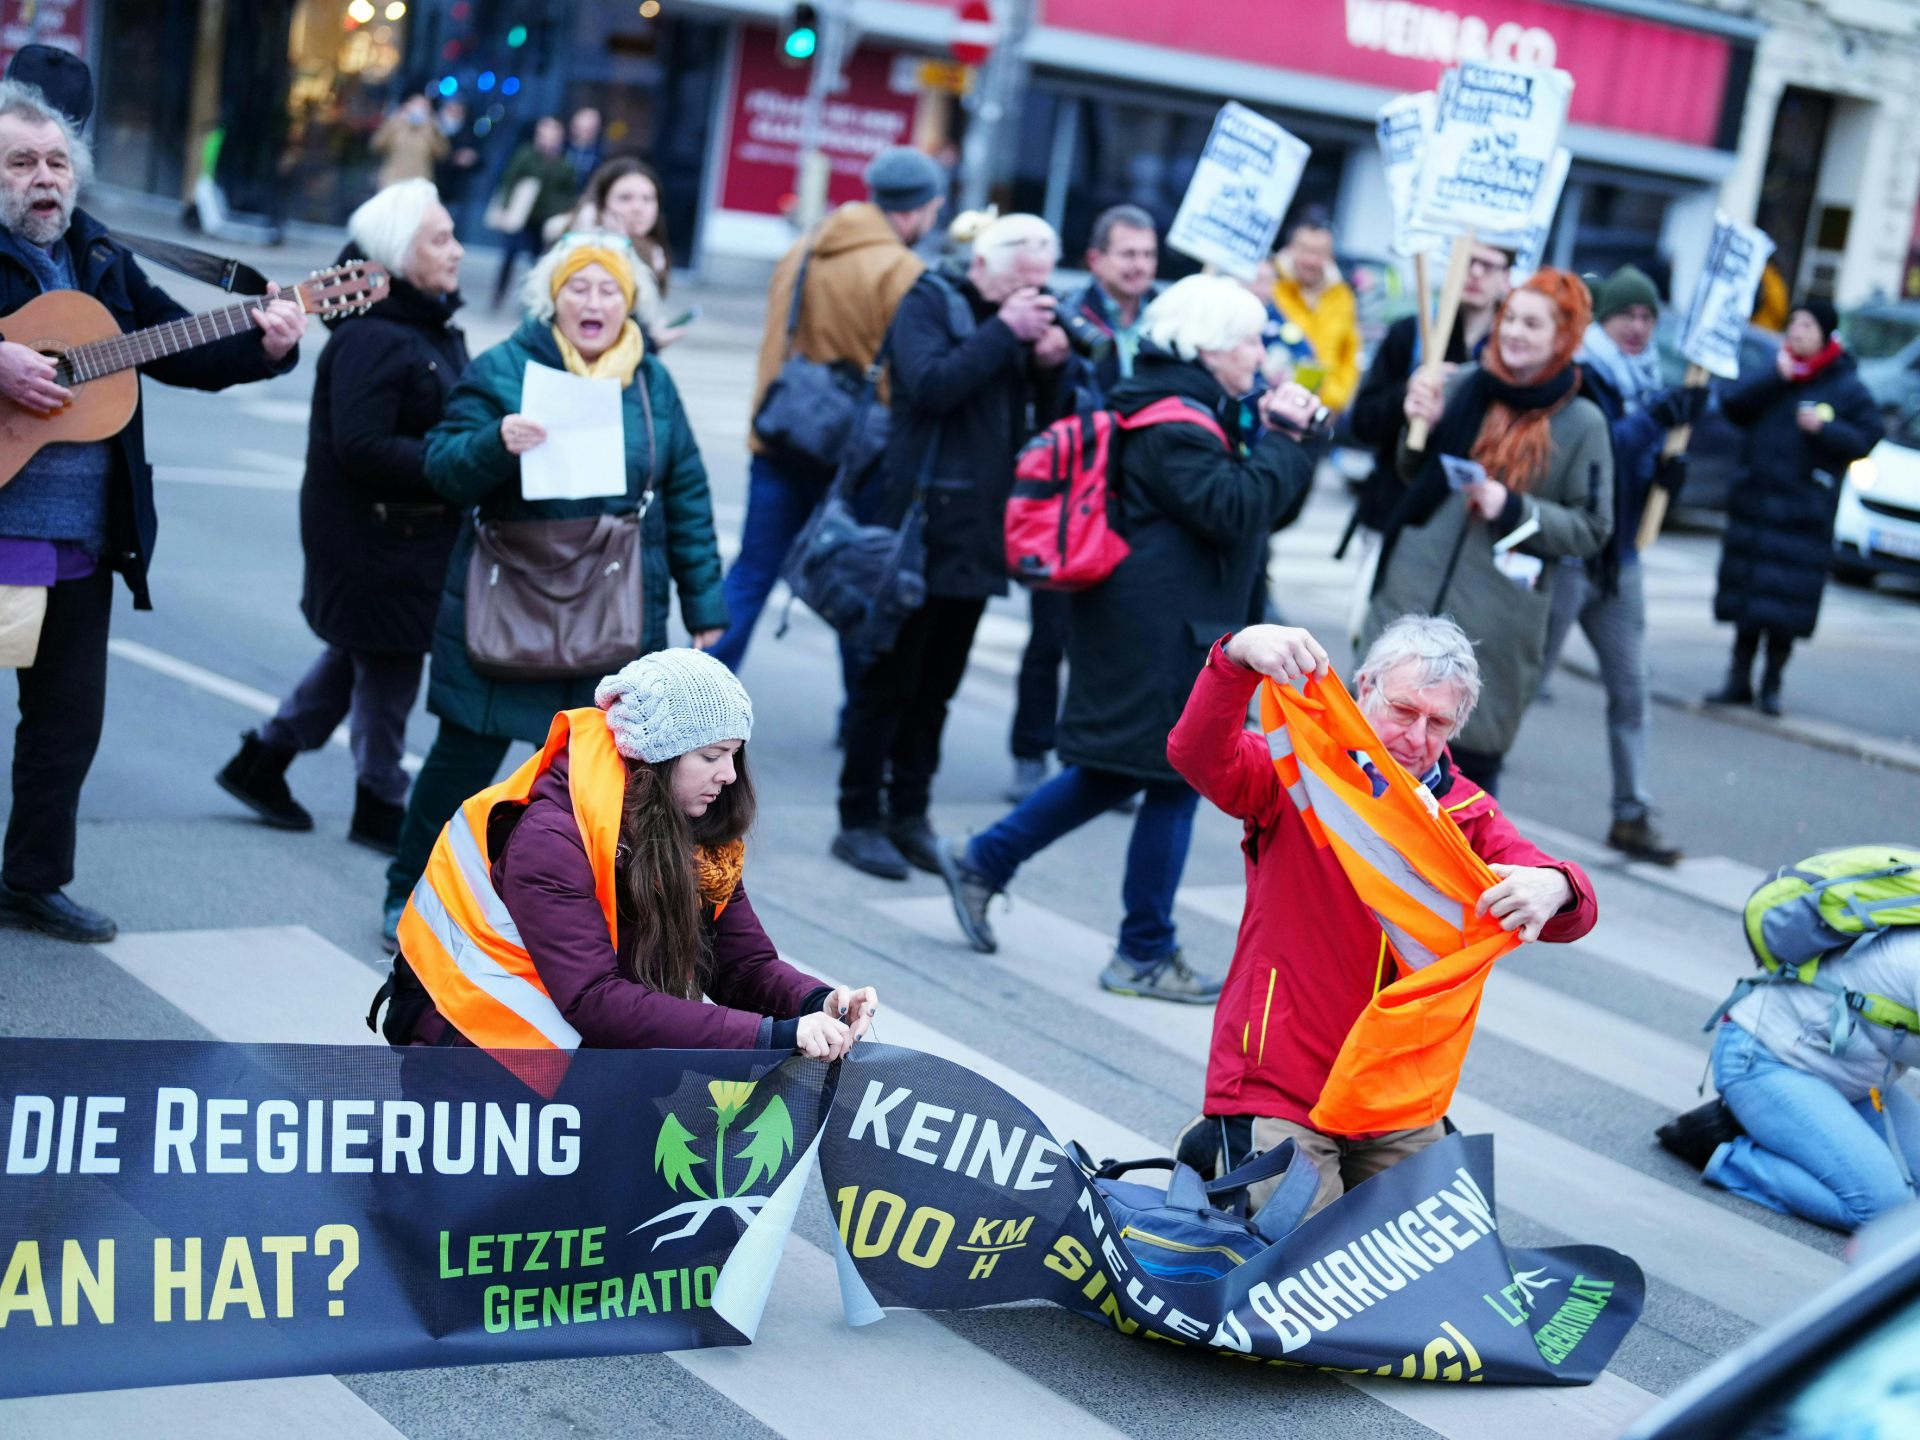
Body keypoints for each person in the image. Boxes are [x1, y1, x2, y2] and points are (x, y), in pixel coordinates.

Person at [937, 276, 1319, 1002]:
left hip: (1167, 622)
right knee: (1175, 778)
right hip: (1161, 631)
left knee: (1121, 769)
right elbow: (1235, 508)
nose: (1259, 351)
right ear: (1208, 345)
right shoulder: (1172, 420)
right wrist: (1285, 440)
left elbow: (1262, 509)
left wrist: (1292, 444)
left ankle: (985, 859)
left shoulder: (1185, 404)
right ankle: (1142, 950)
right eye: (1249, 339)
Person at [0, 80, 306, 944]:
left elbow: (180, 347)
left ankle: (31, 881)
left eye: (57, 162)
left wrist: (265, 344)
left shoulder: (100, 255)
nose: (44, 178)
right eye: (21, 163)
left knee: (66, 725)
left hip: (85, 540)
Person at [1167, 615, 1599, 1215]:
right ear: (1364, 687)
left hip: (1395, 1098)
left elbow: (1568, 911)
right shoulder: (1302, 770)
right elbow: (1197, 755)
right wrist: (1235, 656)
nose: (1416, 738)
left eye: (1438, 722)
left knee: (1446, 1256)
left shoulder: (1468, 813)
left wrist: (1559, 886)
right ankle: (1222, 1146)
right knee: (1307, 1252)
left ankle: (1224, 1160)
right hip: (1280, 1086)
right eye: (1402, 710)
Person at [379, 233, 727, 942]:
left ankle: (578, 919)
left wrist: (704, 602)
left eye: (609, 289)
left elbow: (686, 491)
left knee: (603, 775)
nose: (593, 302)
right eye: (578, 287)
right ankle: (410, 891)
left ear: (629, 302)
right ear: (552, 299)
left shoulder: (651, 382)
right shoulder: (505, 368)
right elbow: (443, 468)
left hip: (614, 604)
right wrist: (495, 443)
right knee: (465, 760)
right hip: (513, 598)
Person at [388, 648, 878, 1056]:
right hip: (482, 1054)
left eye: (734, 754)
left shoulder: (693, 825)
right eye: (711, 756)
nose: (729, 775)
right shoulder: (552, 837)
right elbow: (595, 1001)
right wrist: (769, 1036)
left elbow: (741, 964)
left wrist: (817, 1003)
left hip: (570, 1047)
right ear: (655, 758)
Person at [216, 179, 469, 854]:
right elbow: (361, 446)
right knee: (389, 666)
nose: (458, 250)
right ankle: (380, 801)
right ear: (399, 254)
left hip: (406, 535)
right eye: (441, 239)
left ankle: (263, 760)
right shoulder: (376, 336)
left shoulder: (424, 325)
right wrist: (457, 460)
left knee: (358, 654)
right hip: (375, 541)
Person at [832, 213, 1079, 881]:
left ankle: (909, 813)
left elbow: (1042, 423)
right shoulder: (930, 299)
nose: (1033, 294)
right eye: (1022, 281)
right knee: (890, 678)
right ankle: (858, 818)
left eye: (1041, 283)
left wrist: (1049, 368)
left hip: (980, 531)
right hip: (918, 525)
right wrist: (1006, 332)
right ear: (984, 264)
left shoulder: (1017, 323)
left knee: (938, 686)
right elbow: (931, 386)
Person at [1364, 269, 1614, 796]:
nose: (1514, 332)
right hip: (1409, 598)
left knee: (1460, 804)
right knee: (1361, 786)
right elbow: (1412, 475)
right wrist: (1418, 428)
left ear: (1564, 337)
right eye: (1510, 319)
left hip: (1494, 628)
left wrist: (1515, 507)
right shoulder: (1463, 384)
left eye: (1533, 324)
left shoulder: (1583, 422)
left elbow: (1594, 527)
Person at [709, 146, 946, 677]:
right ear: (913, 210)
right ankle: (856, 713)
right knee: (856, 578)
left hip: (781, 436)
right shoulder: (903, 270)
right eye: (933, 210)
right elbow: (904, 377)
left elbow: (776, 342)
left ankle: (696, 697)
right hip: (854, 459)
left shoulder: (805, 248)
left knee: (750, 575)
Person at [1534, 266, 1702, 865]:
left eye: (1647, 316)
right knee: (1523, 682)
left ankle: (1631, 814)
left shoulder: (1645, 382)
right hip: (1569, 559)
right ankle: (1453, 786)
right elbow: (1600, 449)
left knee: (1632, 692)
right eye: (1626, 314)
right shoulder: (1580, 375)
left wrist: (1667, 476)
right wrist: (1656, 421)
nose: (1637, 326)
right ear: (1602, 321)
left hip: (1619, 563)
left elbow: (1635, 469)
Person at [1005, 204, 1162, 806]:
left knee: (1117, 641)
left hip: (1137, 503)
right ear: (1096, 259)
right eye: (1128, 254)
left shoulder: (1167, 318)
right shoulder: (1067, 316)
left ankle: (1097, 760)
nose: (1140, 266)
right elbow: (1042, 404)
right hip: (1071, 500)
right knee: (1050, 634)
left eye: (1148, 254)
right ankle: (1030, 751)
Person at [1660, 926, 1920, 1232]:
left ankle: (1803, 1135)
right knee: (1886, 1211)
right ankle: (1728, 1151)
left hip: (1852, 1076)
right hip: (1767, 1060)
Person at [1707, 298, 1882, 717]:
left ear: (1825, 334)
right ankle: (1738, 678)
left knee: (1785, 606)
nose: (1797, 332)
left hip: (1802, 514)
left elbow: (1868, 435)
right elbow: (1732, 405)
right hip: (1757, 506)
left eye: (1807, 325)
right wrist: (1774, 377)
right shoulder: (1778, 370)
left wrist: (1826, 429)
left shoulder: (1843, 383)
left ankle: (1771, 684)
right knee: (1748, 596)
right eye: (1794, 323)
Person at [1344, 241, 1513, 641]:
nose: (1475, 273)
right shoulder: (1413, 333)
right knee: (1376, 639)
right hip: (1394, 511)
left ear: (1506, 278)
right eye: (1468, 261)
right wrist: (1409, 393)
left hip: (1468, 527)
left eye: (1488, 265)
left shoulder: (1510, 351)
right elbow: (1363, 422)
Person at [565, 156, 682, 350]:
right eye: (625, 198)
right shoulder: (586, 254)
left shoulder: (655, 252)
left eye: (648, 199)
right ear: (601, 204)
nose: (638, 208)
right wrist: (652, 343)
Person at [1268, 209, 1360, 417]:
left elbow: (1349, 355)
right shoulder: (1271, 286)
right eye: (1305, 249)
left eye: (1319, 252)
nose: (1310, 260)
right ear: (1290, 248)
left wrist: (1335, 400)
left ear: (1330, 256)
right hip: (1273, 404)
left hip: (1321, 410)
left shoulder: (1342, 297)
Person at [489, 116, 575, 310]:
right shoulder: (526, 154)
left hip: (543, 217)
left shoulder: (563, 162)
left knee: (537, 259)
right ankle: (499, 293)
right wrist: (506, 206)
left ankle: (530, 297)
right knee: (510, 254)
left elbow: (567, 189)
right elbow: (510, 179)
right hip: (521, 214)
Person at [370, 94, 448, 190]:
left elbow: (442, 154)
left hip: (420, 182)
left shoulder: (431, 128)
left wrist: (434, 128)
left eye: (423, 106)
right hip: (392, 180)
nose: (419, 109)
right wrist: (392, 122)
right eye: (416, 105)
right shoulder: (396, 123)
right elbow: (376, 145)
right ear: (408, 106)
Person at [562, 106, 604, 190]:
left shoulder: (601, 155)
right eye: (581, 128)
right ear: (573, 127)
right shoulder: (561, 148)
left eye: (589, 129)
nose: (584, 134)